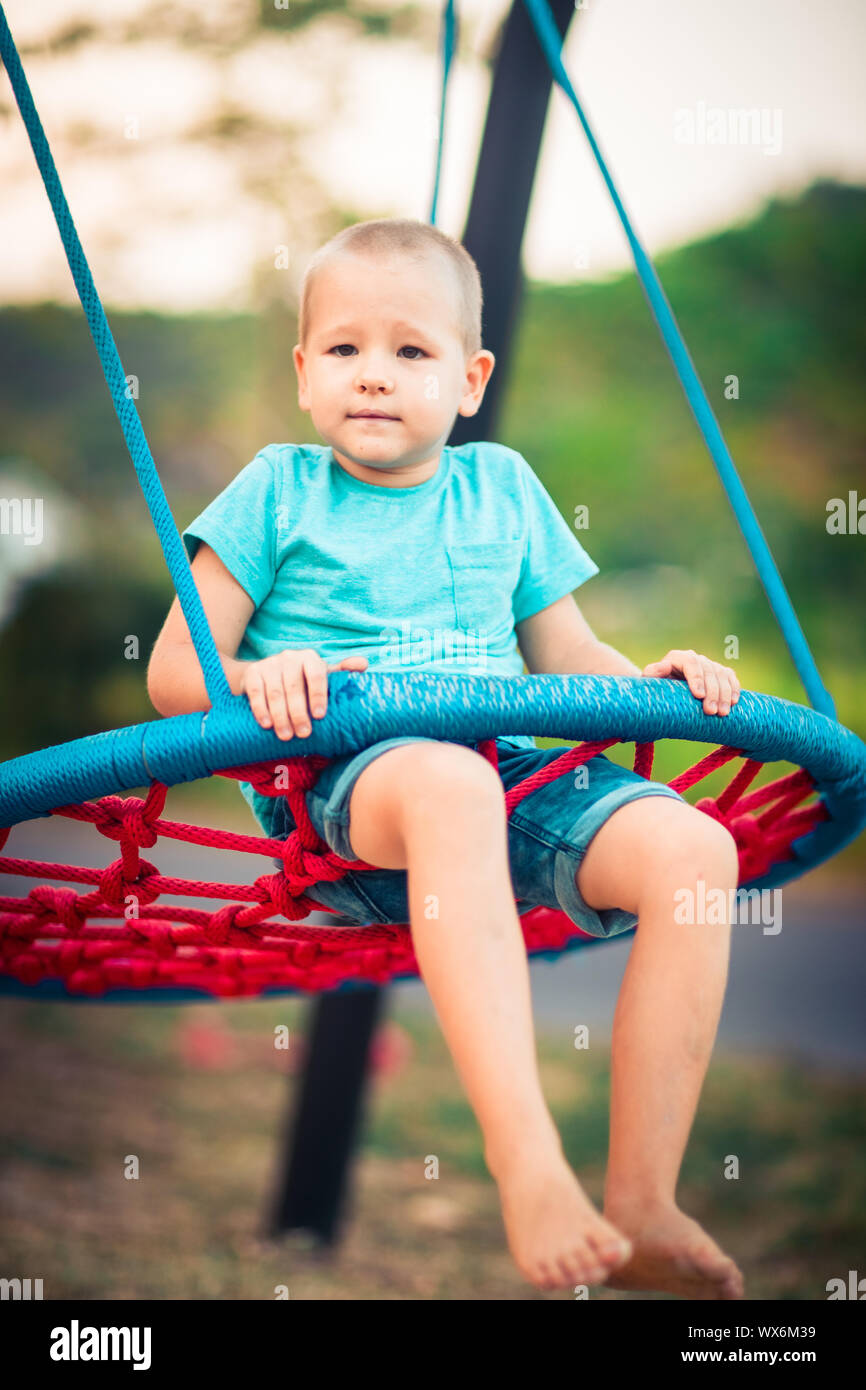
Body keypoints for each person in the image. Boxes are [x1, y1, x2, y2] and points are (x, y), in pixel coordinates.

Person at [147, 217, 744, 1298]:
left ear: (468, 379)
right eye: (343, 350)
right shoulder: (278, 489)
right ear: (302, 371)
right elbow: (177, 672)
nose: (372, 375)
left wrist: (648, 683)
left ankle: (643, 1199)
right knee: (450, 778)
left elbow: (566, 656)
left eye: (410, 352)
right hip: (345, 791)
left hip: (508, 775)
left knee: (696, 854)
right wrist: (252, 681)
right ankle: (524, 1164)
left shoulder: (500, 488)